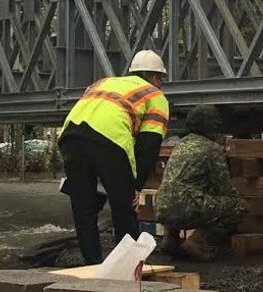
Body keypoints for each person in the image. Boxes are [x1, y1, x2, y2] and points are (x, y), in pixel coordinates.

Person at [58, 50, 171, 265]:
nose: (160, 85)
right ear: (155, 77)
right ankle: (128, 266)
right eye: (161, 80)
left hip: (70, 136)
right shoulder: (154, 95)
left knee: (83, 206)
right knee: (124, 207)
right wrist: (136, 186)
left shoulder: (102, 83)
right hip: (110, 140)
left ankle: (92, 263)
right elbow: (149, 145)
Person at [155, 104, 247, 262]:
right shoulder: (211, 149)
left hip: (160, 206)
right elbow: (224, 188)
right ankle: (196, 242)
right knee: (239, 207)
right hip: (185, 206)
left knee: (181, 195)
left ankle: (171, 239)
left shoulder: (181, 145)